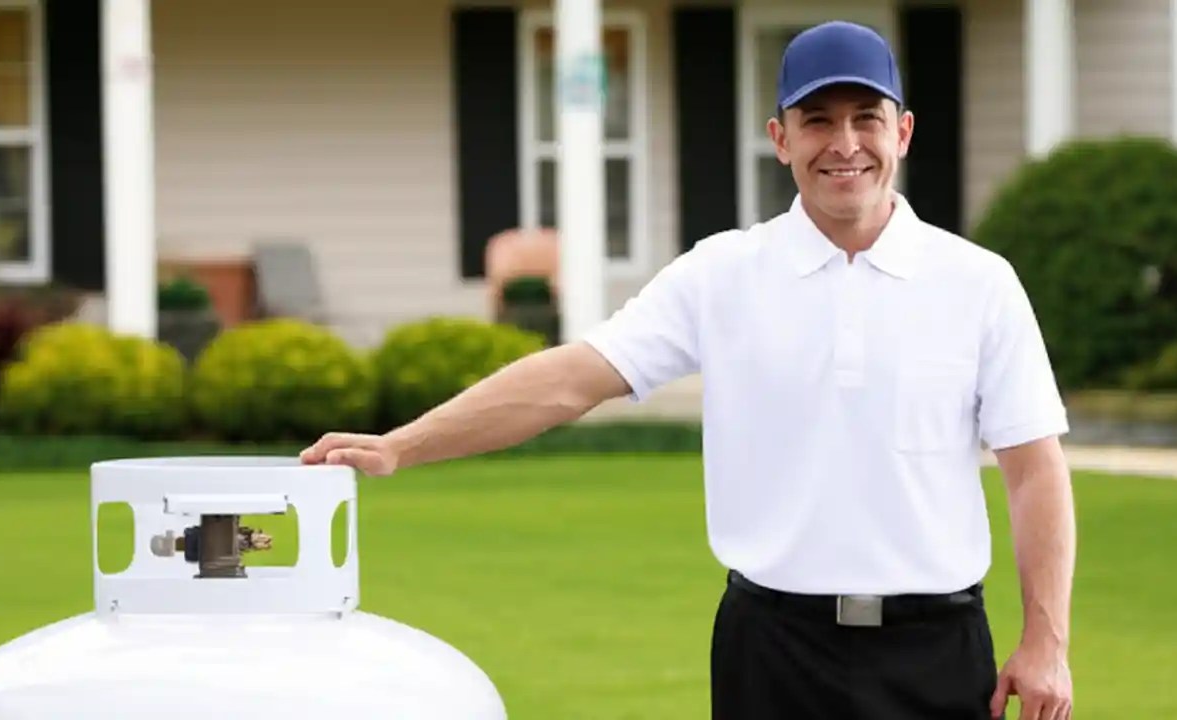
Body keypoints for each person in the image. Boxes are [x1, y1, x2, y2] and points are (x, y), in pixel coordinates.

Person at [301, 20, 1075, 720]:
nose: (844, 144)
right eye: (817, 121)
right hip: (772, 652)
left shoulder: (978, 283)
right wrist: (403, 443)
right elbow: (571, 379)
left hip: (935, 654)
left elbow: (1035, 469)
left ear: (901, 132)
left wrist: (1047, 640)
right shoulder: (722, 274)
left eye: (865, 119)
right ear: (780, 137)